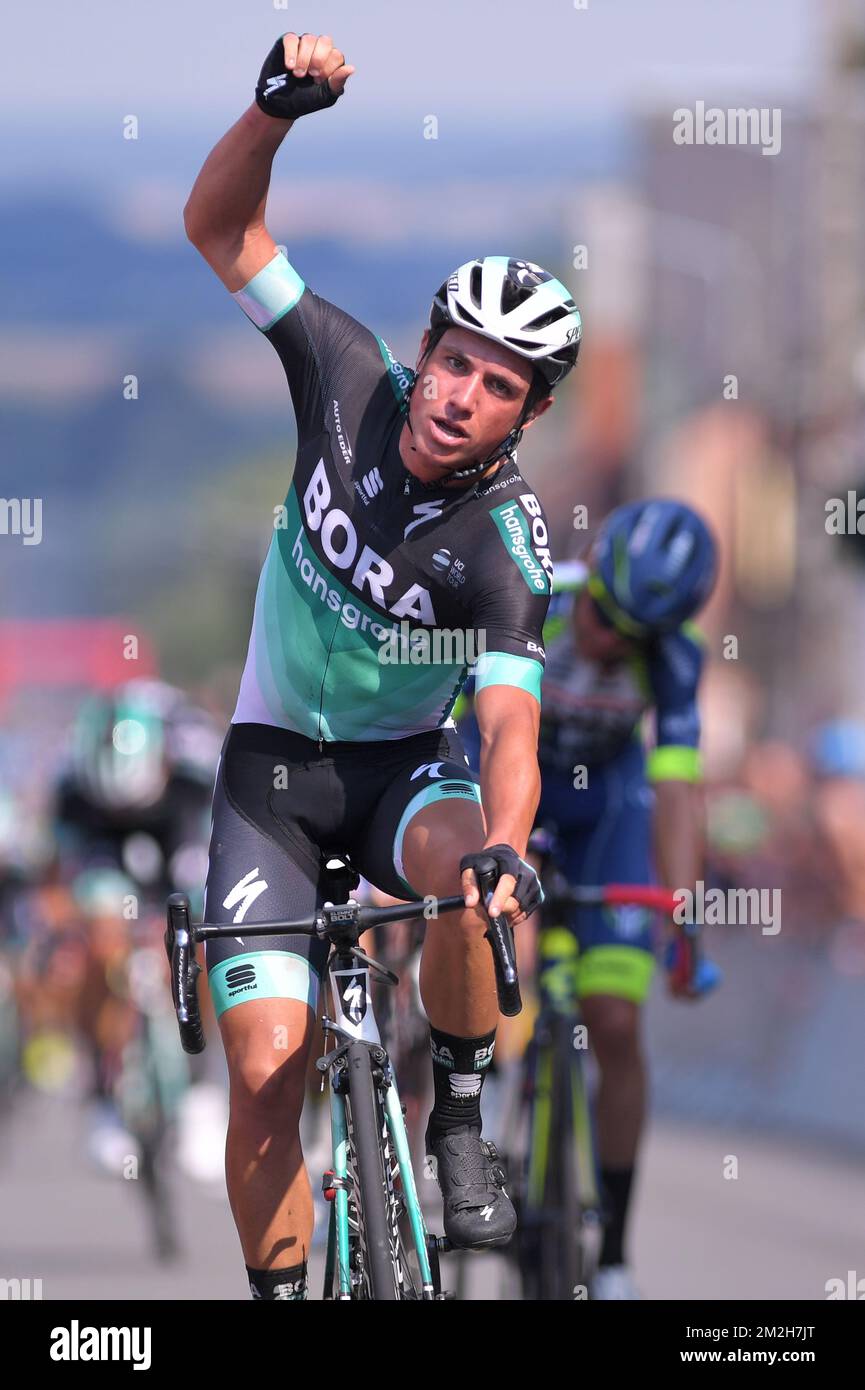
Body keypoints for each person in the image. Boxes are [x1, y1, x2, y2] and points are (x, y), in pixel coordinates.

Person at [183, 31, 582, 1299]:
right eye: (457, 360)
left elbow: (510, 733)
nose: (462, 394)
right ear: (429, 347)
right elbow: (219, 228)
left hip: (406, 773)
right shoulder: (347, 376)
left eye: (499, 385)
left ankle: (458, 1115)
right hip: (269, 781)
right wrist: (271, 115)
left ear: (529, 415)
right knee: (263, 1073)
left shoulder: (508, 546)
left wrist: (509, 848)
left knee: (473, 878)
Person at [462, 498, 718, 1298]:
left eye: (632, 635)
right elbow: (474, 735)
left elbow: (675, 790)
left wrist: (683, 910)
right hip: (513, 792)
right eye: (603, 615)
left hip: (607, 814)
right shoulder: (537, 593)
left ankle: (610, 1249)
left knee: (614, 1023)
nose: (609, 640)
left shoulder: (675, 658)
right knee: (504, 948)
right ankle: (488, 1085)